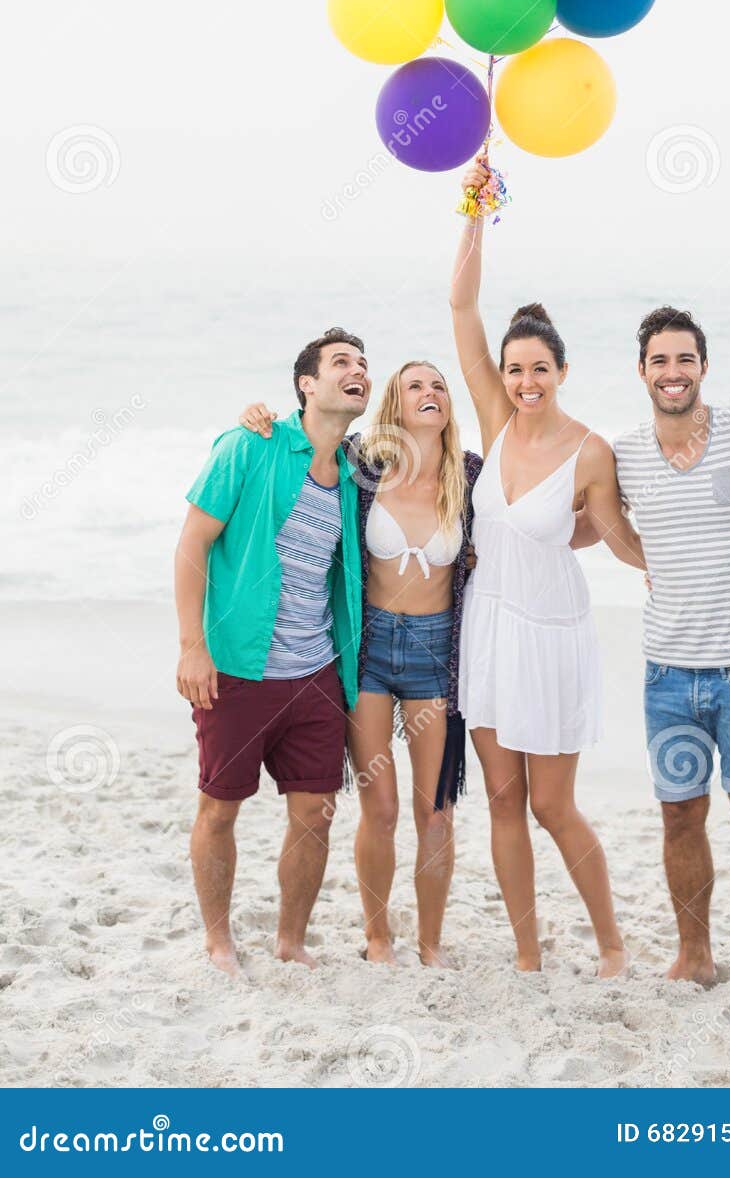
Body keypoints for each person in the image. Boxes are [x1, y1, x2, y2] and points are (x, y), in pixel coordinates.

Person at [451, 157, 647, 977]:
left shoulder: (590, 449)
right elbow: (461, 304)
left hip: (554, 635)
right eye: (514, 369)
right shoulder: (496, 424)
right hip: (487, 627)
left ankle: (609, 944)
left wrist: (699, 562)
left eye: (538, 369)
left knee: (551, 803)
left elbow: (617, 538)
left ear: (560, 372)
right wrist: (473, 208)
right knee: (500, 800)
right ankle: (528, 953)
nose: (525, 382)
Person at [240, 362, 482, 970]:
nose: (430, 394)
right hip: (369, 650)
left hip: (436, 653)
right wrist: (257, 418)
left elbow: (535, 506)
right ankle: (379, 939)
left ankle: (430, 942)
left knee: (436, 809)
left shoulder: (472, 474)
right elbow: (306, 436)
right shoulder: (361, 463)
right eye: (415, 385)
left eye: (439, 386)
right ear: (395, 404)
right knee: (381, 807)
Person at [174, 328, 368, 975]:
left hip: (315, 672)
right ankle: (217, 939)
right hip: (237, 667)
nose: (358, 370)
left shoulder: (354, 472)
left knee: (315, 811)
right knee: (220, 806)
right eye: (342, 362)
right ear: (306, 385)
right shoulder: (247, 446)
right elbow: (191, 545)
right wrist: (191, 647)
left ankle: (289, 940)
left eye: (364, 364)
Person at [612, 308, 730, 991]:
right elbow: (585, 519)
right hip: (666, 672)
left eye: (684, 359)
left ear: (704, 367)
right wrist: (643, 558)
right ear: (642, 372)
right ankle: (695, 953)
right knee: (679, 815)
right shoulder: (623, 453)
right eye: (659, 361)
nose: (672, 372)